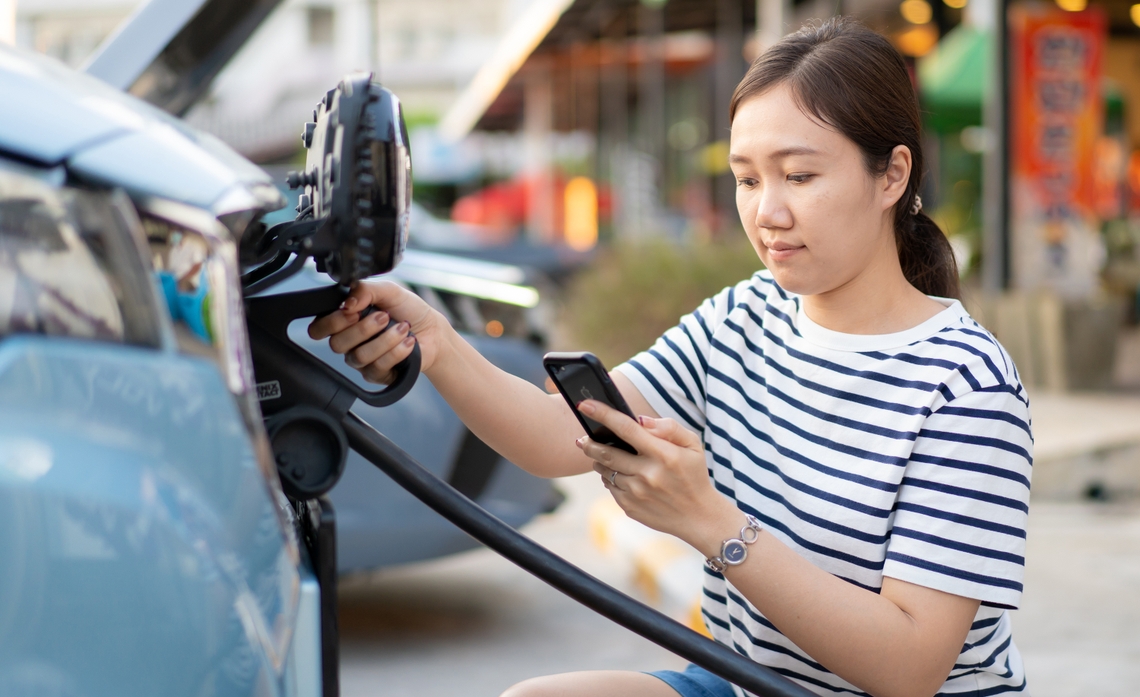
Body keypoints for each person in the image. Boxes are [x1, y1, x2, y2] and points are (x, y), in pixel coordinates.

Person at [309, 17, 1031, 697]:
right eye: (748, 178)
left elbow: (908, 667)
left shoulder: (966, 384)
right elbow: (558, 431)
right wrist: (436, 343)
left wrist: (711, 522)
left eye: (800, 176)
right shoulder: (748, 313)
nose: (767, 212)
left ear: (891, 176)